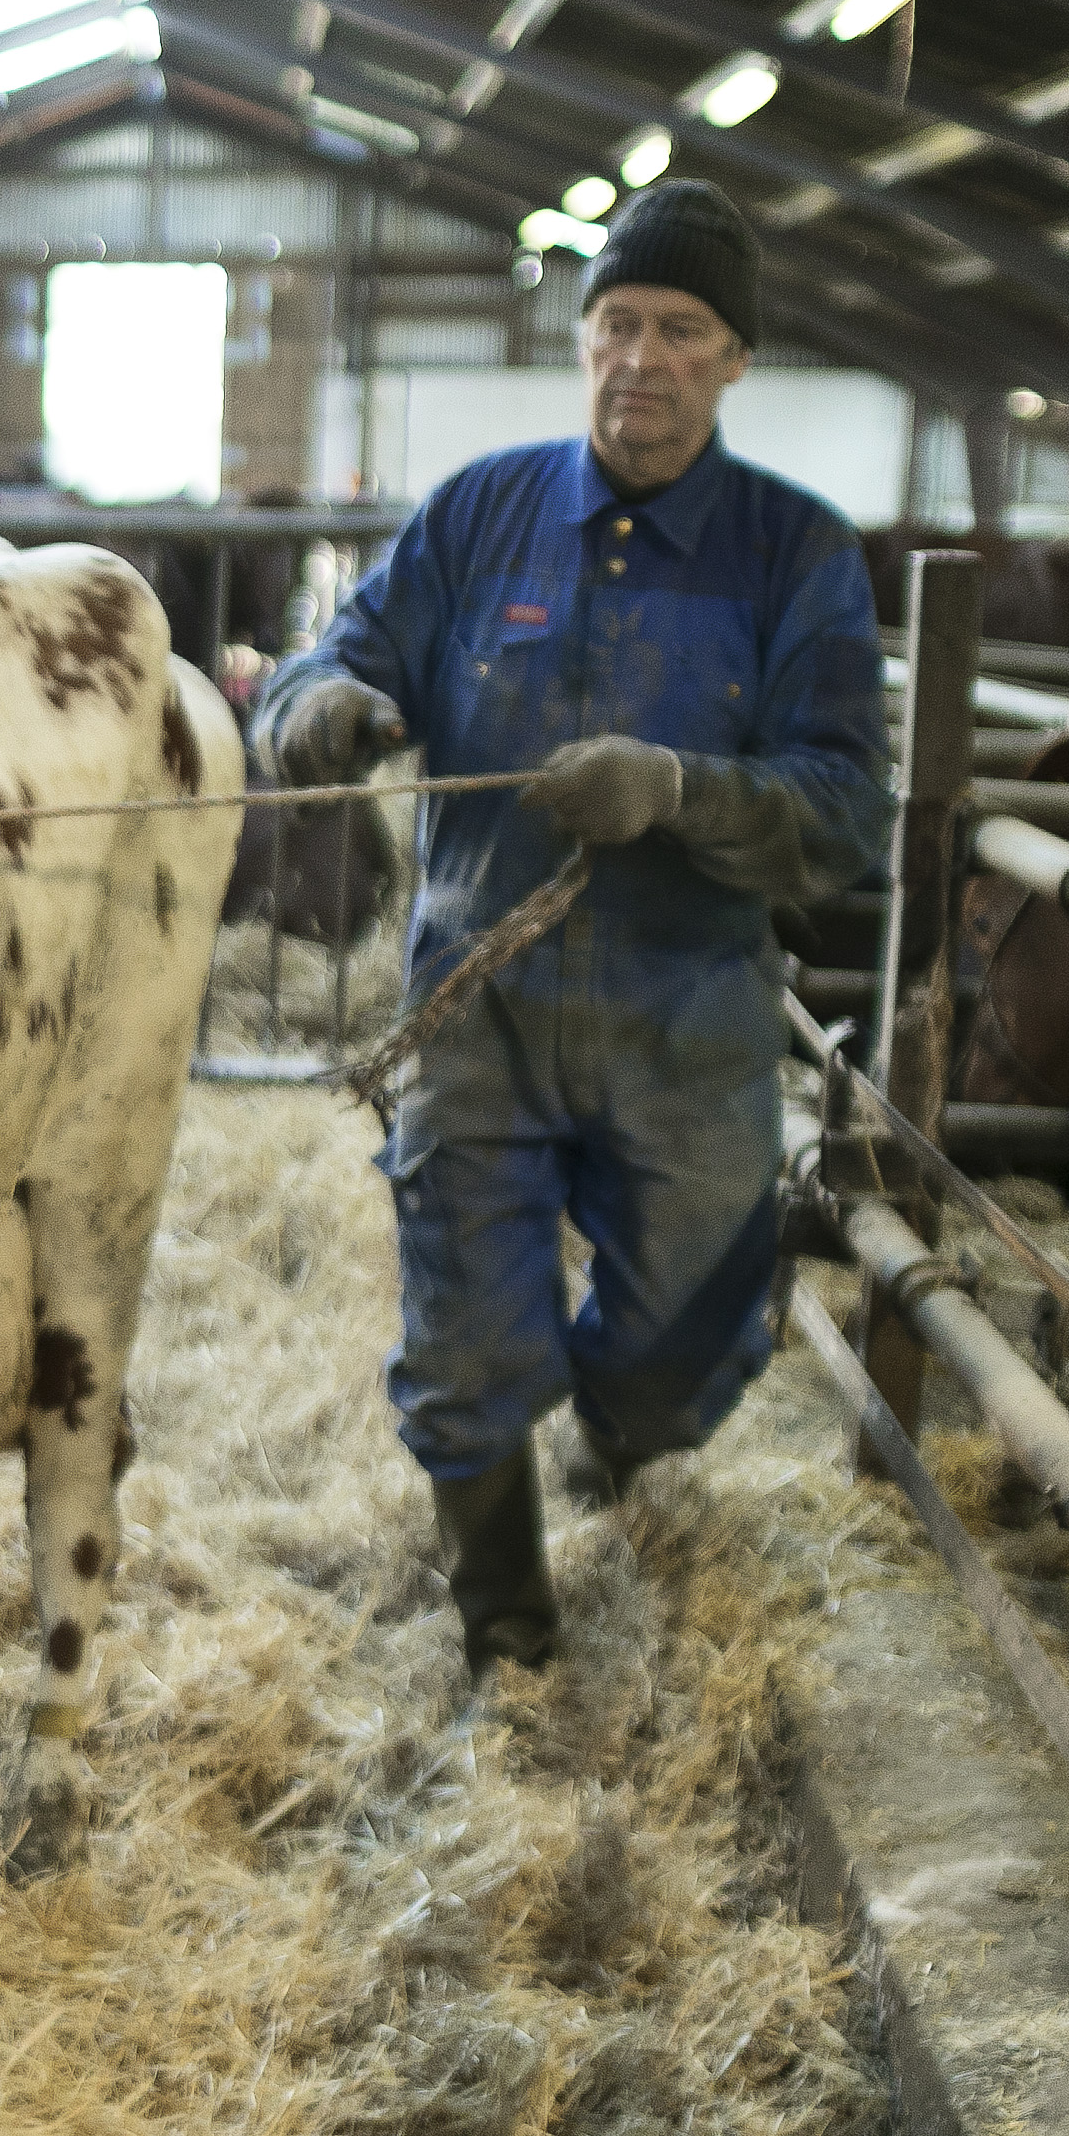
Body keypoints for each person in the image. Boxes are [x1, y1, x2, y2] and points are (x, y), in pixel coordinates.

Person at [246, 179, 885, 1677]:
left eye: (679, 331)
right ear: (581, 340)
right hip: (483, 1007)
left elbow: (847, 807)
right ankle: (509, 1636)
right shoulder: (482, 513)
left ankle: (618, 1433)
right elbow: (328, 661)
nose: (640, 359)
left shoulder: (799, 555)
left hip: (690, 1015)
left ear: (736, 362)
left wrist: (677, 788)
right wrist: (317, 714)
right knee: (463, 1354)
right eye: (616, 325)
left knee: (684, 1354)